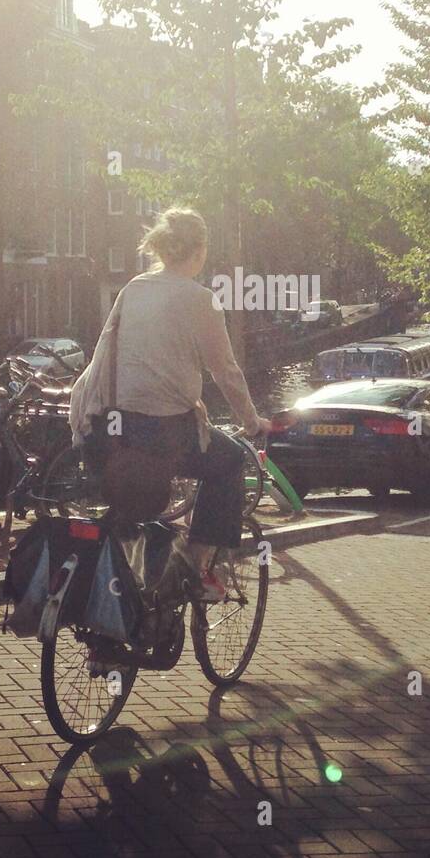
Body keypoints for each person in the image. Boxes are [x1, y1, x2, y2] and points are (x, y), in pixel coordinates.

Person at [69, 207, 271, 602]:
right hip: (167, 432)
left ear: (161, 249)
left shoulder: (133, 289)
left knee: (134, 507)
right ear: (199, 251)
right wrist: (251, 421)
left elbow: (106, 351)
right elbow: (225, 372)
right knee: (229, 460)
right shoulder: (201, 299)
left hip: (115, 428)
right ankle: (194, 570)